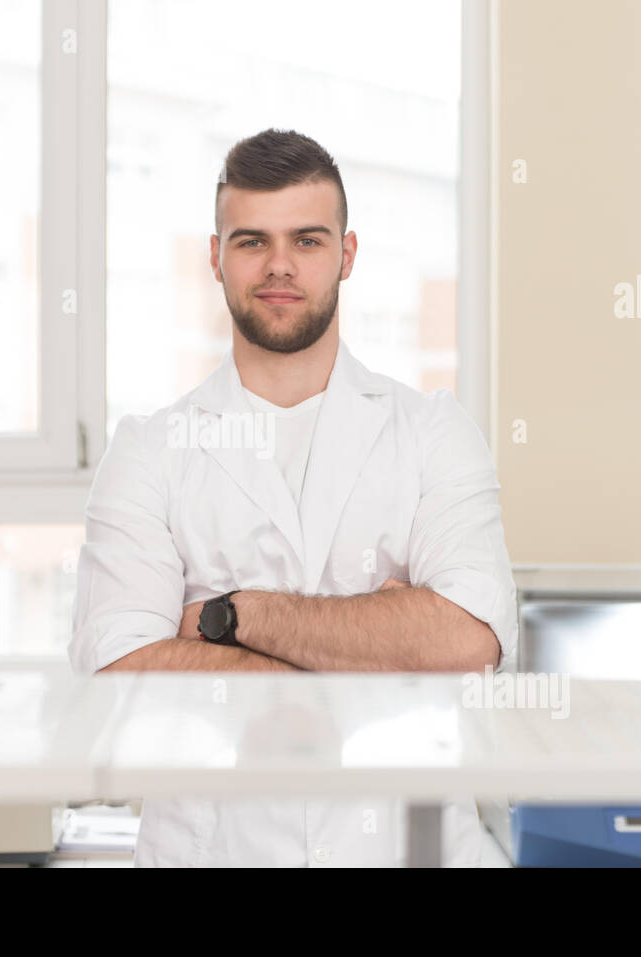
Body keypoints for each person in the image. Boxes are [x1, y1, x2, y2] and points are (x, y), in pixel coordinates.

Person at [71, 128, 518, 866]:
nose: (279, 266)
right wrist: (383, 655)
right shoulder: (149, 450)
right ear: (215, 257)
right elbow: (118, 679)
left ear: (346, 254)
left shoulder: (433, 432)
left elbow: (469, 640)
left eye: (308, 240)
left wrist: (232, 618)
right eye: (252, 241)